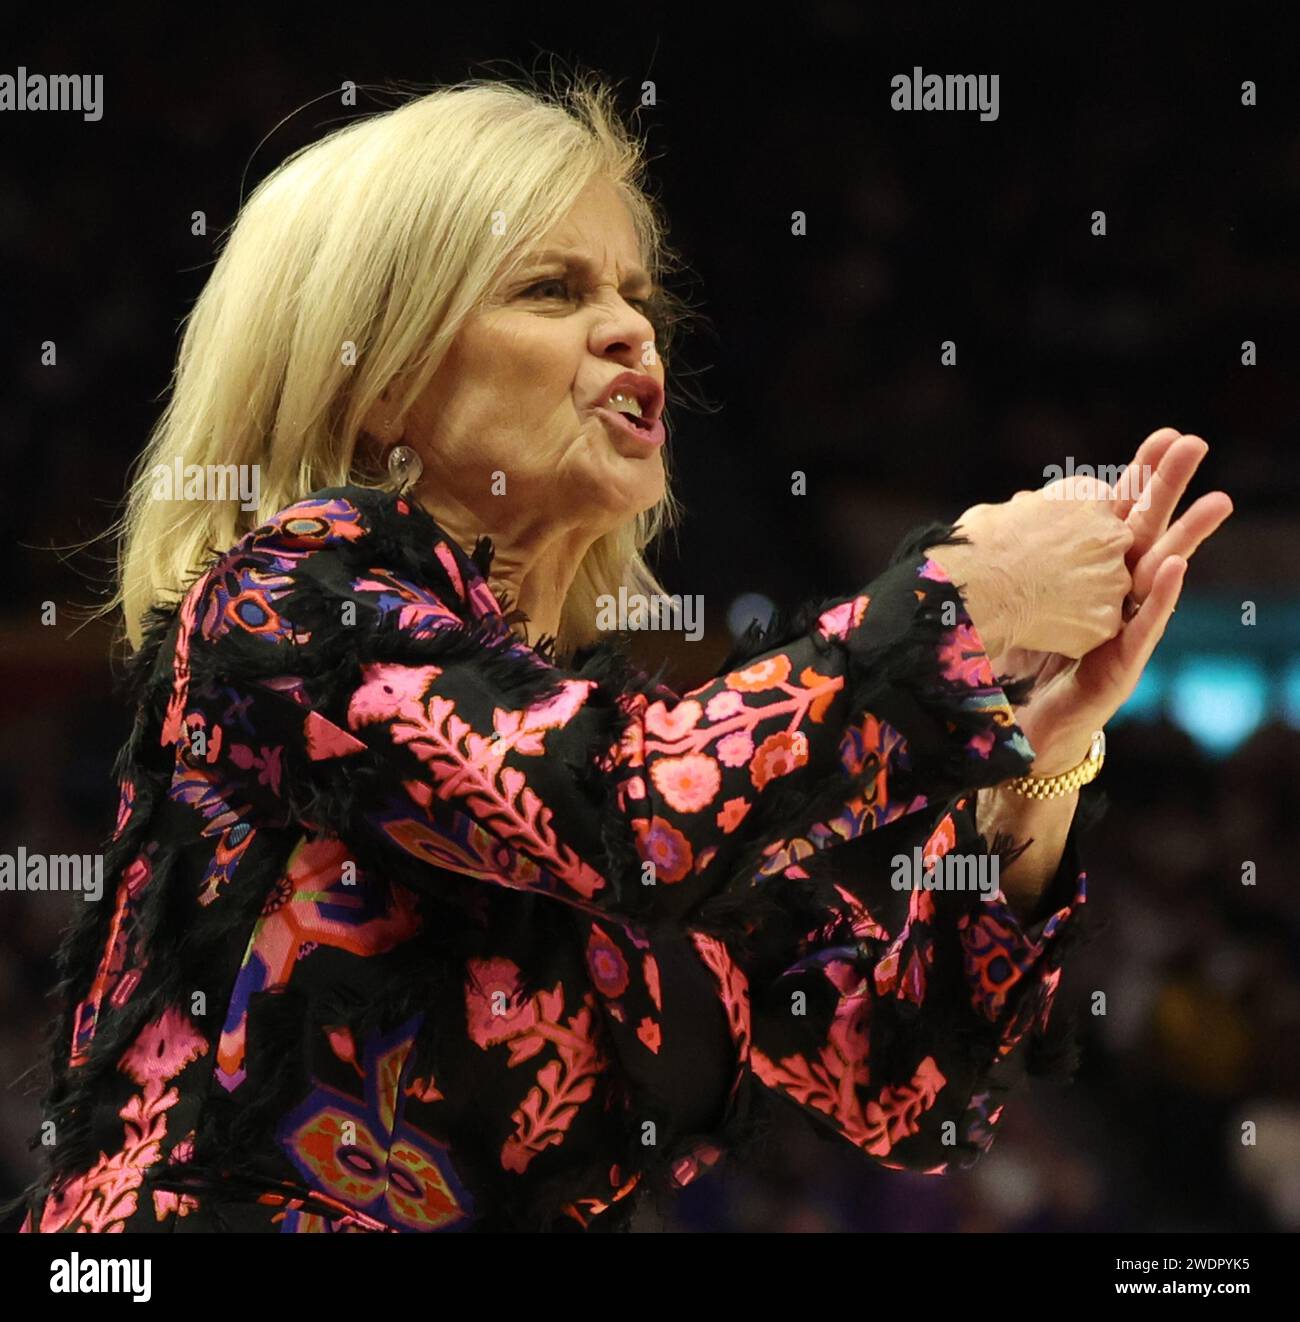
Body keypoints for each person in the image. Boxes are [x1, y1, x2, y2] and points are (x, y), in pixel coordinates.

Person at [8, 73, 1232, 1233]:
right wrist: (965, 596)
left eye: (636, 295)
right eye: (552, 290)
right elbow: (622, 817)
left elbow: (903, 1090)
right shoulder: (276, 610)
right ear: (374, 372)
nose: (633, 335)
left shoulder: (631, 740)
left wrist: (1036, 757)